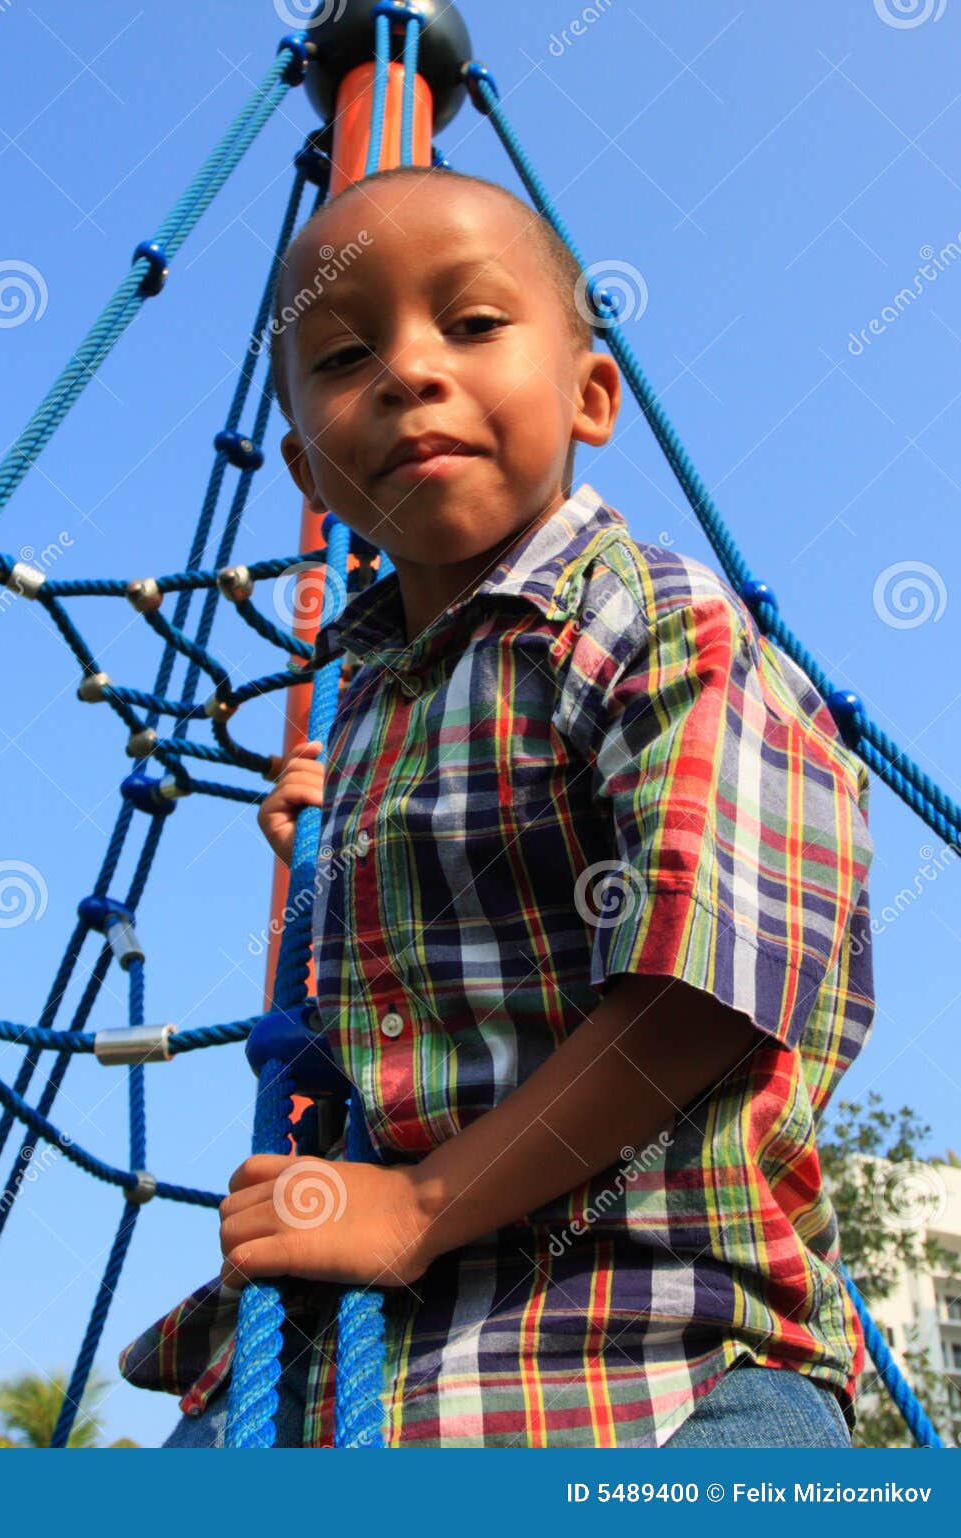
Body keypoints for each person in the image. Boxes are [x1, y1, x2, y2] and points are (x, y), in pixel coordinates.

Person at [118, 166, 875, 1448]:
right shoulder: (363, 703)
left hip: (660, 1331)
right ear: (307, 463)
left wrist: (416, 1205)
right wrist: (321, 844)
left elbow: (707, 985)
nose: (410, 371)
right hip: (342, 1344)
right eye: (349, 353)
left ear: (588, 393)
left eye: (471, 325)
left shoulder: (659, 622)